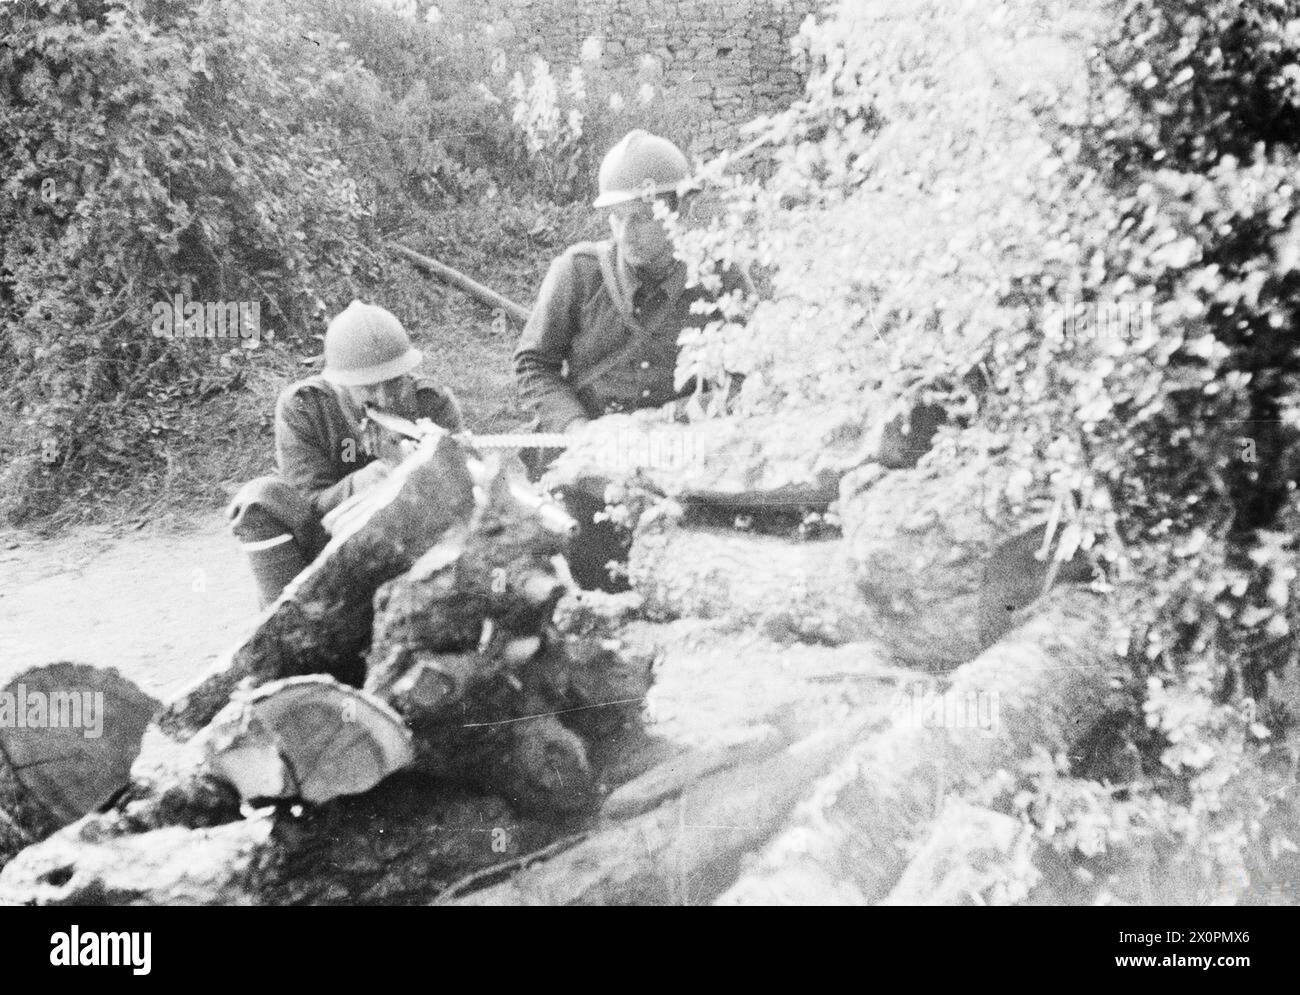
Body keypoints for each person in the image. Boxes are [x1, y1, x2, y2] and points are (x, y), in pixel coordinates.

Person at [512, 129, 751, 590]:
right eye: (616, 218)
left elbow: (746, 377)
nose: (627, 233)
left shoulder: (719, 278)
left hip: (680, 457)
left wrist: (672, 419)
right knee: (578, 584)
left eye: (641, 218)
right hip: (587, 462)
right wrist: (577, 430)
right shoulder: (578, 274)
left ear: (679, 210)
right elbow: (533, 364)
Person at [228, 300, 464, 607]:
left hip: (411, 542)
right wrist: (371, 479)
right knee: (259, 498)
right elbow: (307, 505)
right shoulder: (305, 406)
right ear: (339, 384)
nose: (383, 397)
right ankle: (282, 623)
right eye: (367, 387)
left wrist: (425, 471)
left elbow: (467, 498)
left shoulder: (432, 403)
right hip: (328, 545)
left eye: (393, 383)